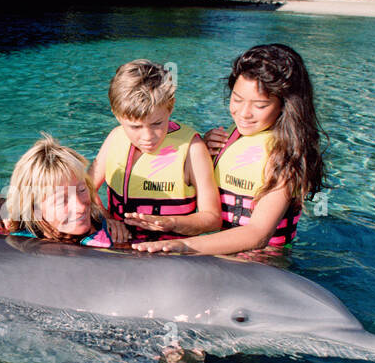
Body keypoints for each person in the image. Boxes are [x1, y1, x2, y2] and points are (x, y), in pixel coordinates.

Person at [135, 43, 323, 256]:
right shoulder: (231, 136)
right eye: (237, 99)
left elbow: (258, 234)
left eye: (260, 106)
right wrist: (205, 153)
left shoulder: (287, 156)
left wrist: (185, 246)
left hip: (262, 262)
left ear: (285, 105)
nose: (244, 113)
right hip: (216, 250)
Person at [90, 59, 220, 245]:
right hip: (120, 249)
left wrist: (172, 223)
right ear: (117, 115)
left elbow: (213, 218)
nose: (148, 136)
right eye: (135, 127)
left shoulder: (192, 149)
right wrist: (107, 220)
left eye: (157, 123)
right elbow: (87, 189)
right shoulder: (114, 138)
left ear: (171, 106)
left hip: (171, 253)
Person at [3, 135, 128, 247]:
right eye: (62, 200)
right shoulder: (12, 237)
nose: (81, 207)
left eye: (82, 190)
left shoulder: (114, 240)